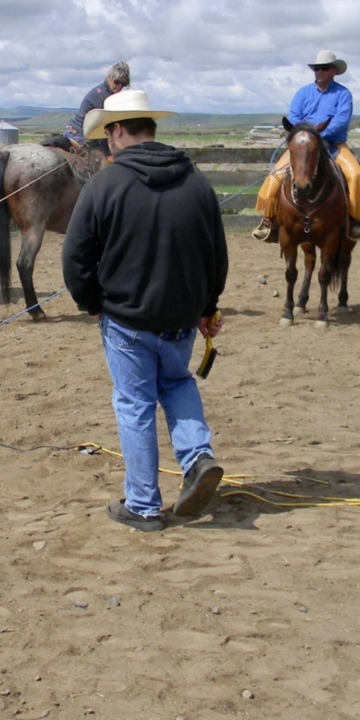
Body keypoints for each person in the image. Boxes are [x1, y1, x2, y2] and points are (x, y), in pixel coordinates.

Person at [62, 87, 229, 531]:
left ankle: (142, 504)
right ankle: (197, 458)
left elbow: (75, 257)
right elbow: (217, 256)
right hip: (181, 319)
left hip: (126, 319)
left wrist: (91, 304)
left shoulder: (104, 184)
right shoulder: (196, 183)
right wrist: (207, 306)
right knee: (176, 383)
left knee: (135, 403)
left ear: (117, 132)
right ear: (150, 128)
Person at [252, 51, 360, 242]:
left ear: (334, 71)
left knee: (355, 174)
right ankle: (268, 220)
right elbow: (294, 117)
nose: (319, 71)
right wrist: (306, 137)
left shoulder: (343, 94)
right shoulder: (302, 93)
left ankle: (354, 220)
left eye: (325, 68)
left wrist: (319, 137)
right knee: (275, 175)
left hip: (333, 145)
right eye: (316, 68)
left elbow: (341, 120)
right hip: (303, 146)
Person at [60, 61, 131, 156]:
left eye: (123, 84)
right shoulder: (102, 96)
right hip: (79, 135)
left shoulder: (108, 93)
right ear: (109, 78)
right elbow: (102, 128)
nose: (119, 86)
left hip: (84, 133)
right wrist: (107, 155)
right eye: (117, 82)